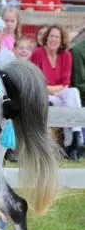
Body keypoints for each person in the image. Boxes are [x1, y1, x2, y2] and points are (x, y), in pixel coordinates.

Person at [30, 25, 84, 160]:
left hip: (59, 95)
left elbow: (66, 82)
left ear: (61, 40)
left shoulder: (66, 56)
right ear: (46, 38)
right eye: (51, 36)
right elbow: (36, 80)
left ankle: (76, 138)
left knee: (73, 93)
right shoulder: (38, 53)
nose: (53, 39)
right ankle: (72, 144)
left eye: (57, 37)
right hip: (41, 95)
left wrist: (51, 89)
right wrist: (50, 89)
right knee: (66, 97)